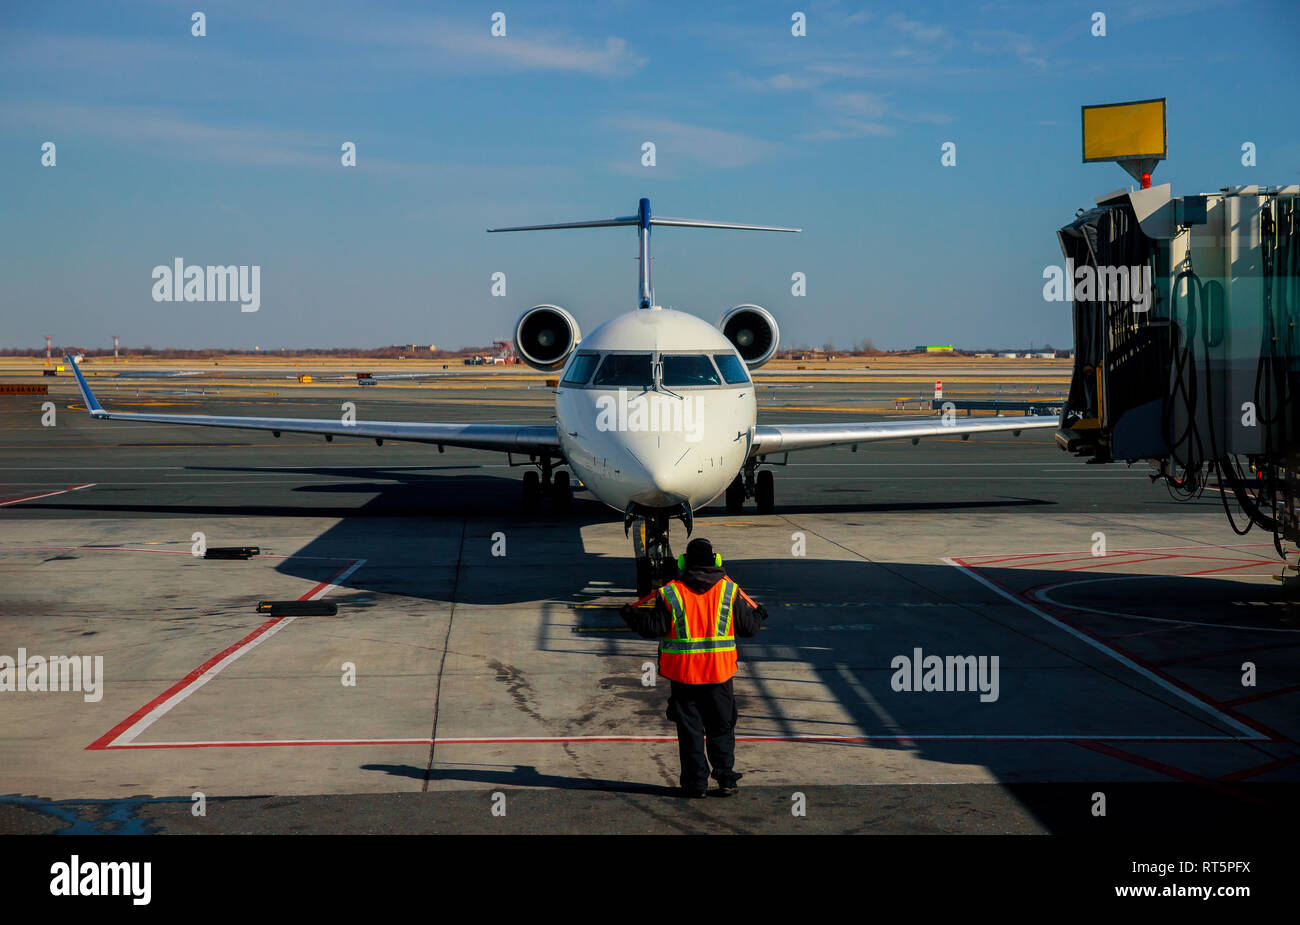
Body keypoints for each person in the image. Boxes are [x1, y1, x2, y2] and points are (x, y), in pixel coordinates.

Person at [620, 537, 767, 798]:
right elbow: (749, 629)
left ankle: (695, 784)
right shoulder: (728, 591)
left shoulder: (671, 593)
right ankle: (725, 778)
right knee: (721, 726)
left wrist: (631, 617)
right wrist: (759, 615)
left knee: (690, 731)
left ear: (683, 562)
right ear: (716, 561)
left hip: (684, 675)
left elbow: (651, 628)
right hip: (719, 674)